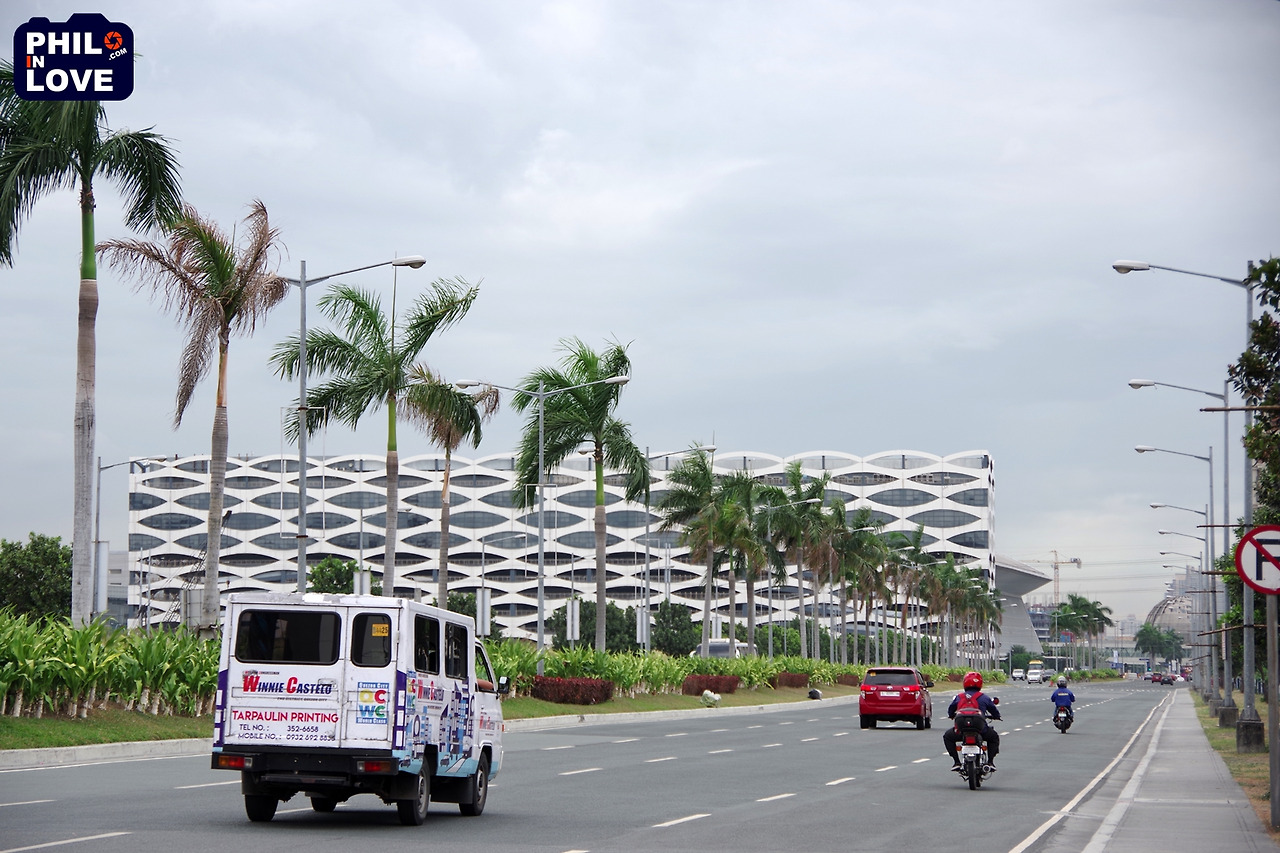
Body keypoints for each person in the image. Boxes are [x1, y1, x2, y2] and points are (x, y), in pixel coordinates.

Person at [943, 671, 1002, 771]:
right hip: (980, 730)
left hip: (961, 730)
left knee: (948, 737)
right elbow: (994, 710)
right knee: (994, 738)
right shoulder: (984, 697)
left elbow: (951, 709)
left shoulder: (959, 697)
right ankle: (990, 762)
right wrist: (996, 716)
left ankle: (956, 762)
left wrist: (951, 715)